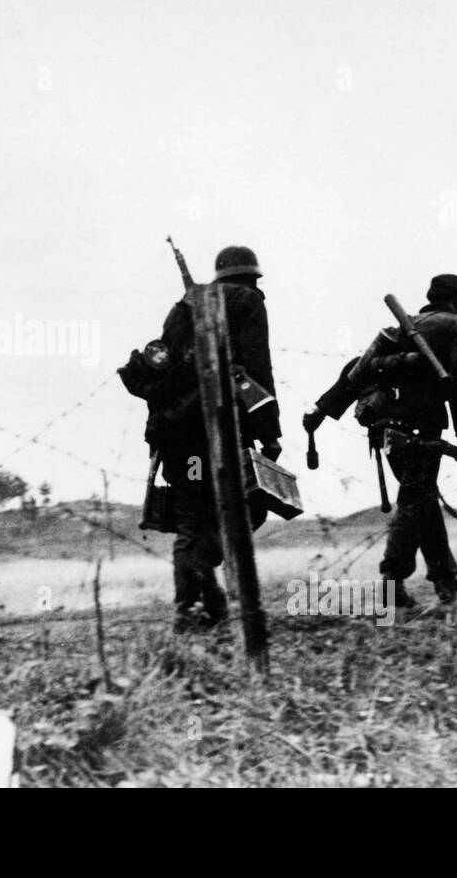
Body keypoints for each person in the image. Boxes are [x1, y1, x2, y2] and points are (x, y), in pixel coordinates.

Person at [303, 274, 457, 607]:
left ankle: (445, 576)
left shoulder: (402, 327)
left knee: (420, 496)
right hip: (422, 427)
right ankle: (393, 580)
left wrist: (321, 412)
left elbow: (357, 373)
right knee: (416, 499)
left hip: (384, 429)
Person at [144, 246, 282, 633]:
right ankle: (203, 581)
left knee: (191, 520)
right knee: (248, 509)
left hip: (177, 439)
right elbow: (256, 370)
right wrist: (269, 431)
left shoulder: (184, 306)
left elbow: (161, 372)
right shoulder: (248, 302)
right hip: (221, 432)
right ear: (251, 277)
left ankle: (193, 609)